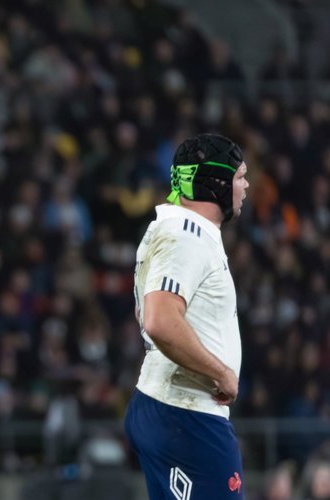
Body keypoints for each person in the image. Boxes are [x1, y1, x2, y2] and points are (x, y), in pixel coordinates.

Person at [124, 133, 251, 500]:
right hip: (185, 415)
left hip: (175, 412)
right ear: (217, 184)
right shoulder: (186, 235)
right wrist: (221, 373)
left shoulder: (176, 229)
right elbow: (160, 320)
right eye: (240, 177)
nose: (246, 186)